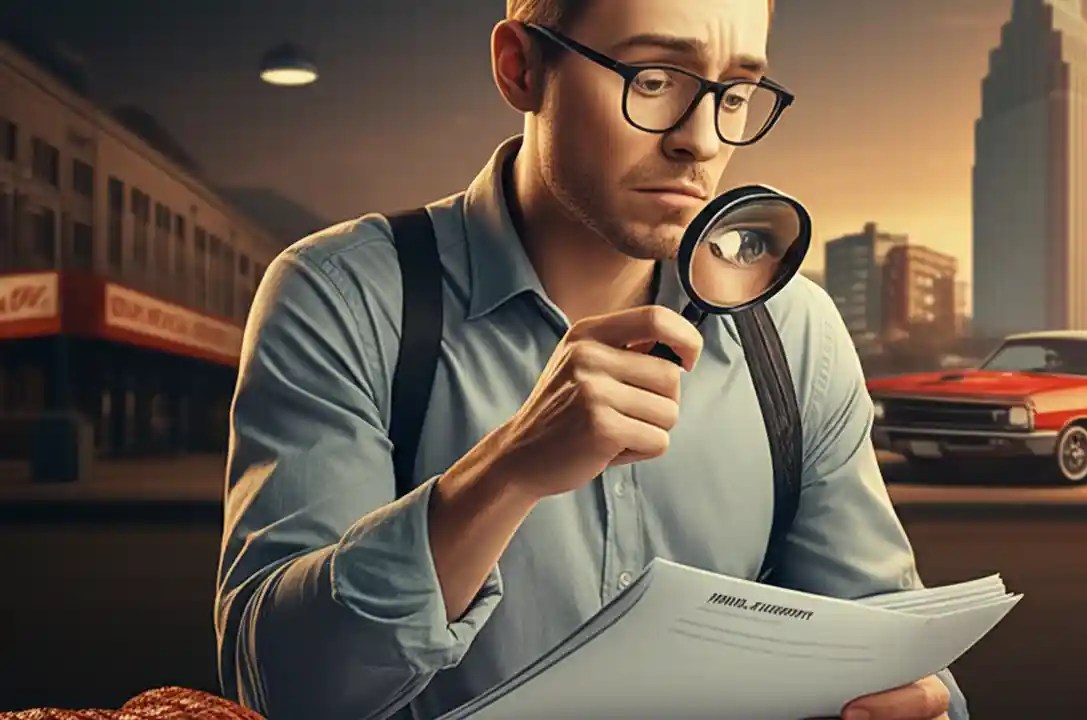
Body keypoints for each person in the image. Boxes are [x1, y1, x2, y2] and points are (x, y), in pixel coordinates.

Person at [213, 1, 969, 719]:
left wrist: (915, 696)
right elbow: (280, 687)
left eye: (734, 93)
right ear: (521, 68)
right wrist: (505, 472)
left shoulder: (792, 330)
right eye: (654, 80)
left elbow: (889, 642)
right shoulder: (342, 296)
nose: (701, 141)